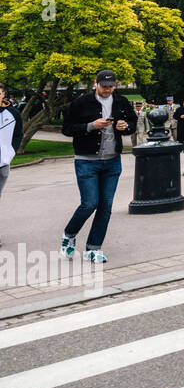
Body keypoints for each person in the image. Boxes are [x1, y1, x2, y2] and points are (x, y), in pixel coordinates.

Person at [60, 70, 138, 263]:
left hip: (112, 161)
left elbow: (133, 123)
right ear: (96, 83)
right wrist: (91, 126)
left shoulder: (121, 102)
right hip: (87, 161)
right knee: (89, 203)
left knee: (106, 206)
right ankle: (69, 235)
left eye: (111, 87)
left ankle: (93, 248)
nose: (108, 90)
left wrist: (125, 126)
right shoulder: (81, 103)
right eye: (104, 87)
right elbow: (67, 129)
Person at [0, 85, 21, 239]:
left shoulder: (13, 113)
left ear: (3, 94)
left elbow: (18, 135)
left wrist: (10, 153)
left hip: (3, 163)